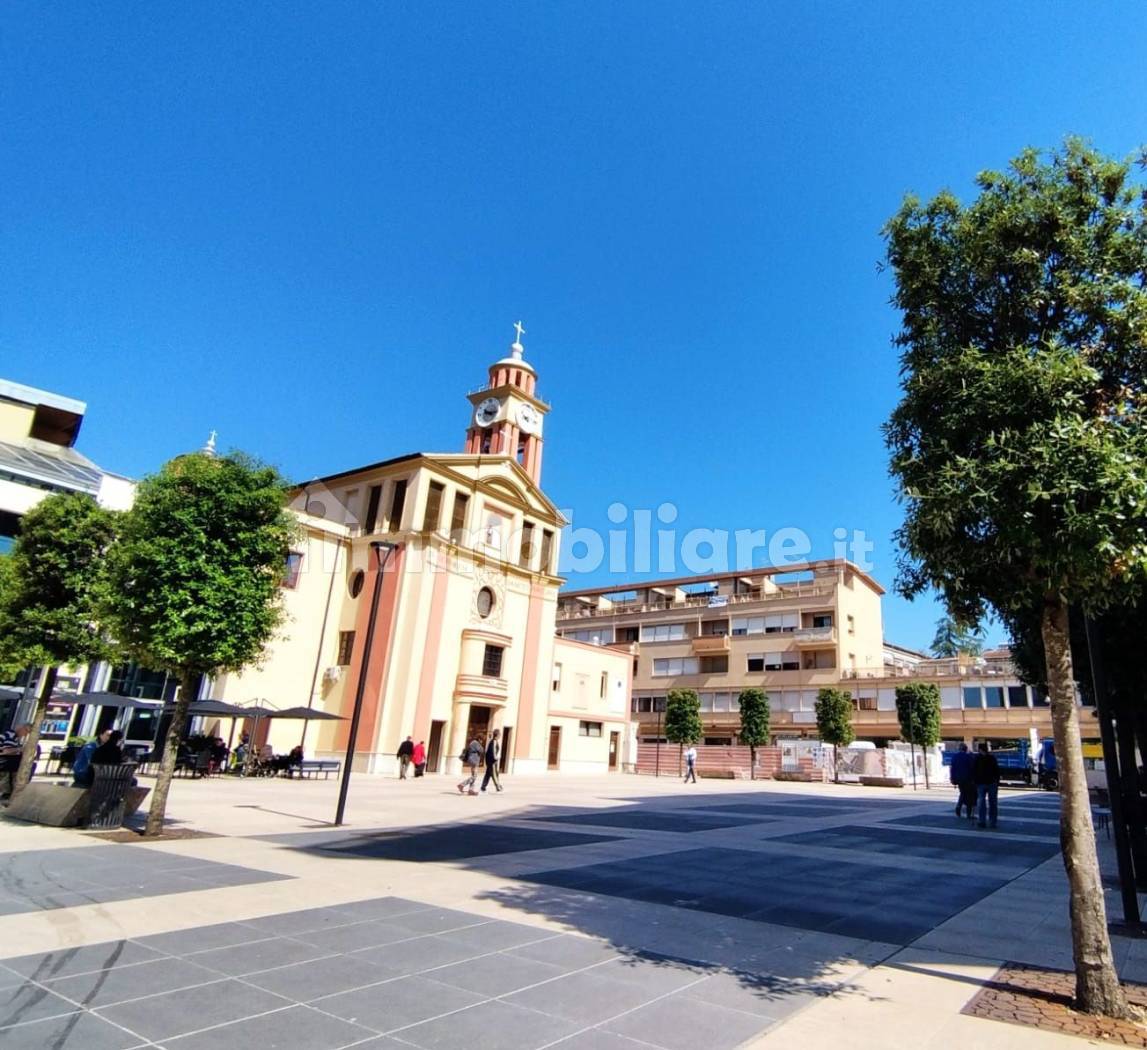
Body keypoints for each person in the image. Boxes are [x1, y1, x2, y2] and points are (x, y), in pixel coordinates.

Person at [0, 724, 33, 799]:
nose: (25, 735)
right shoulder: (11, 735)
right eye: (26, 731)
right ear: (21, 728)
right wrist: (20, 749)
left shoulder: (12, 736)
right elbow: (6, 751)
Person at [974, 741, 1001, 829]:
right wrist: (997, 781)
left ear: (980, 750)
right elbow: (997, 770)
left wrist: (975, 781)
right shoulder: (992, 758)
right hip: (992, 783)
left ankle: (982, 821)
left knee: (981, 803)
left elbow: (973, 771)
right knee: (992, 803)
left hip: (981, 783)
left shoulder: (977, 758)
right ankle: (992, 822)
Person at [950, 743, 976, 820]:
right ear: (966, 749)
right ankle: (968, 814)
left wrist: (952, 778)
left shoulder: (955, 756)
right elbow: (972, 767)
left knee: (963, 793)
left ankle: (959, 806)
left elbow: (952, 768)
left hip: (958, 779)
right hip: (967, 779)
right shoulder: (968, 757)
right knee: (969, 795)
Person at [481, 729, 503, 793]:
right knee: (494, 774)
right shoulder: (494, 741)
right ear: (497, 735)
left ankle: (483, 787)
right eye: (499, 734)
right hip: (492, 761)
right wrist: (495, 758)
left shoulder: (493, 741)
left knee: (488, 774)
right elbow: (493, 751)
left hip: (490, 761)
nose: (500, 736)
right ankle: (498, 787)